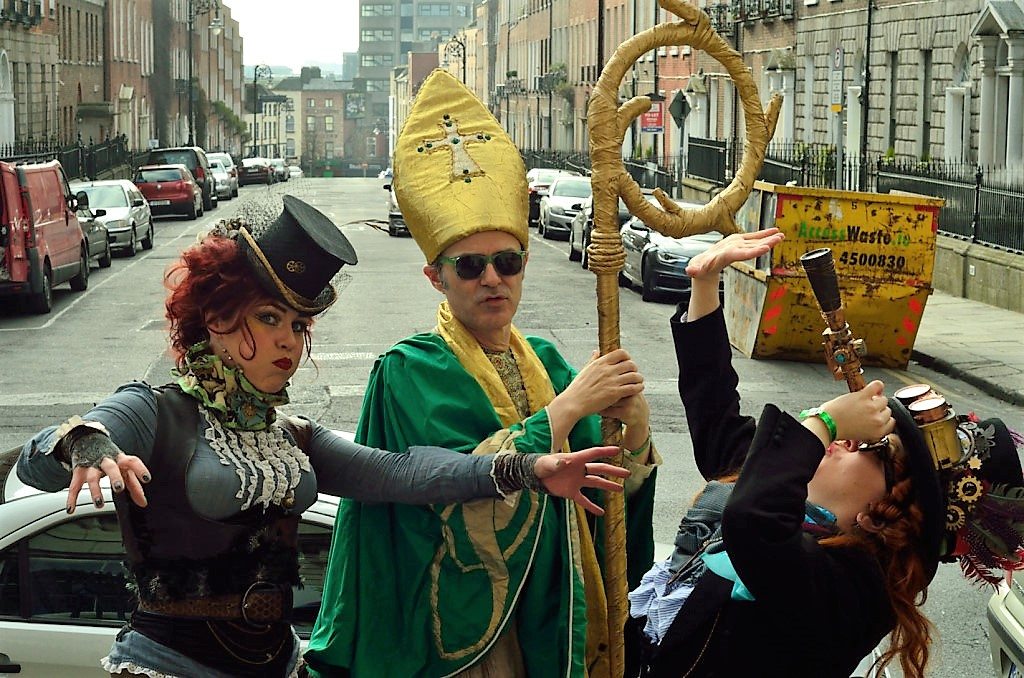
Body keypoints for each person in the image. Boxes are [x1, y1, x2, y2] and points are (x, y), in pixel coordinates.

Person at [16, 195, 635, 678]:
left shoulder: (292, 435)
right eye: (268, 319)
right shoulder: (157, 412)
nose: (288, 340)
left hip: (278, 664)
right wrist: (88, 447)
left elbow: (401, 474)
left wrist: (527, 470)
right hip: (170, 665)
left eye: (297, 324)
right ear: (216, 320)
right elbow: (54, 449)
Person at [305, 69, 659, 677]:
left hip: (552, 612)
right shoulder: (406, 371)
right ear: (435, 277)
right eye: (470, 266)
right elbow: (445, 494)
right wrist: (567, 410)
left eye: (508, 261)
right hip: (465, 636)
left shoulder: (548, 362)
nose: (492, 279)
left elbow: (606, 494)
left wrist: (636, 432)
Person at [626, 227, 1024, 678]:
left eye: (874, 446)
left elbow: (755, 526)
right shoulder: (796, 504)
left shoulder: (855, 588)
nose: (849, 439)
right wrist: (704, 283)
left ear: (887, 510)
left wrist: (825, 422)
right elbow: (719, 425)